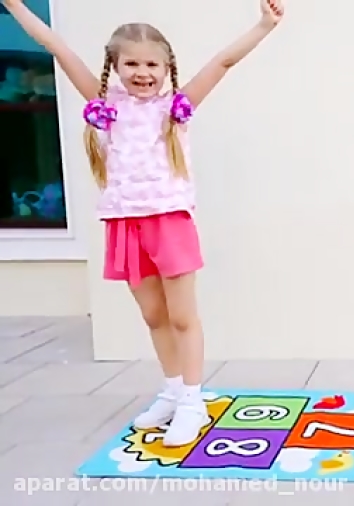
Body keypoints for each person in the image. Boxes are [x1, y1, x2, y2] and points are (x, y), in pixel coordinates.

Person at [1, 0, 284, 446]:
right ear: (114, 65)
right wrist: (16, 5)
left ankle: (193, 401)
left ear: (166, 66)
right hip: (124, 222)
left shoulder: (176, 107)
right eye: (131, 62)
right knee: (154, 317)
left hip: (168, 220)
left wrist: (264, 25)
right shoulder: (103, 103)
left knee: (182, 316)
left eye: (152, 63)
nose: (142, 72)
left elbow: (224, 61)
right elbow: (54, 43)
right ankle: (173, 391)